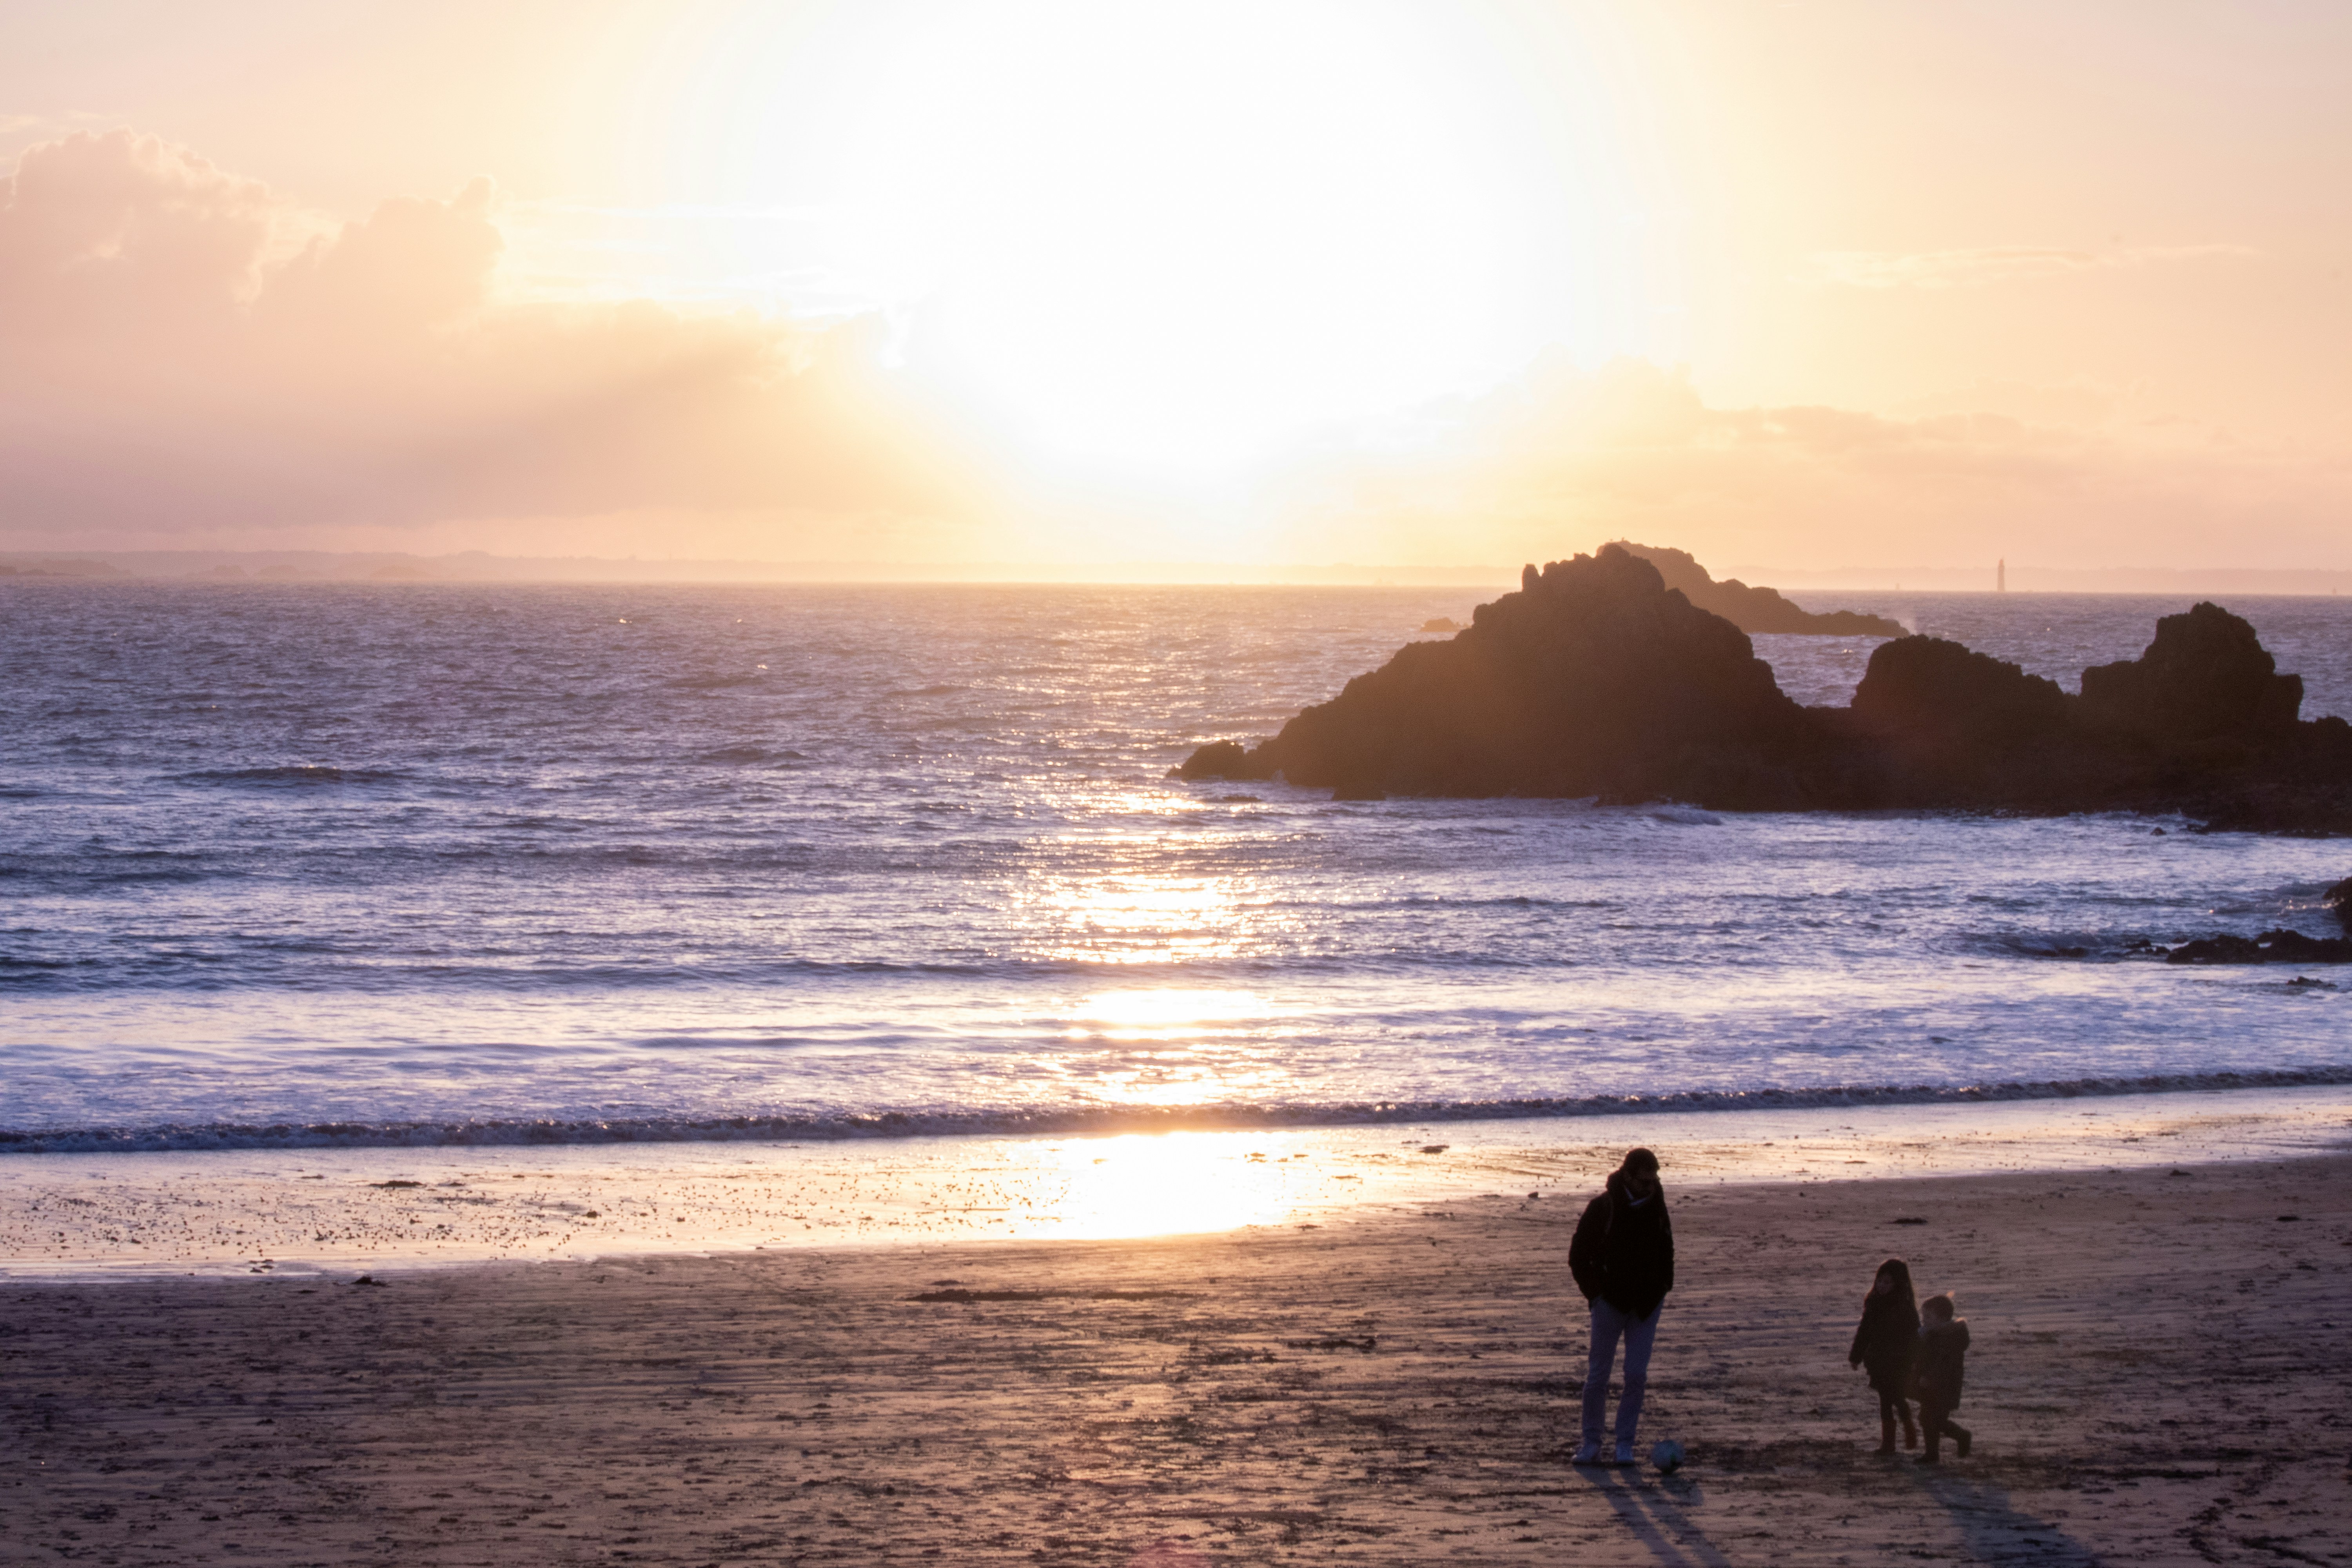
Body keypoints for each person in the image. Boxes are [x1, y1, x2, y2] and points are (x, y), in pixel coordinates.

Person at [1568, 1147, 1674, 1466]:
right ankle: (1591, 1442)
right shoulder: (1603, 1207)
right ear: (1627, 1176)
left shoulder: (1657, 1206)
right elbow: (1578, 1257)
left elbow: (1667, 1250)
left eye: (1653, 1179)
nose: (1650, 1186)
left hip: (1647, 1304)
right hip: (1609, 1304)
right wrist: (1596, 1296)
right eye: (1644, 1181)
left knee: (1636, 1375)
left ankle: (1625, 1444)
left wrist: (1663, 1286)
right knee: (1598, 1375)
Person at [1848, 1258, 1921, 1453]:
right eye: (1880, 1281)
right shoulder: (1873, 1303)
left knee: (1895, 1396)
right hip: (1878, 1361)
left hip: (1898, 1361)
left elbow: (1915, 1336)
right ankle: (1888, 1443)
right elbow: (1864, 1331)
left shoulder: (1905, 1307)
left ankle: (1907, 1426)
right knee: (1885, 1399)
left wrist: (1913, 1360)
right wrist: (1856, 1356)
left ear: (1899, 1284)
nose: (1882, 1286)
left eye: (1887, 1283)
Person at [1913, 1292, 1973, 1464]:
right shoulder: (1932, 1334)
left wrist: (1929, 1378)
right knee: (1928, 1419)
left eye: (1928, 1317)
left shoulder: (1949, 1338)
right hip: (1931, 1384)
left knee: (1934, 1419)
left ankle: (1961, 1436)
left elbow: (1944, 1365)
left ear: (1942, 1318)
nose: (1924, 1320)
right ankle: (1932, 1454)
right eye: (1923, 1316)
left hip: (1944, 1386)